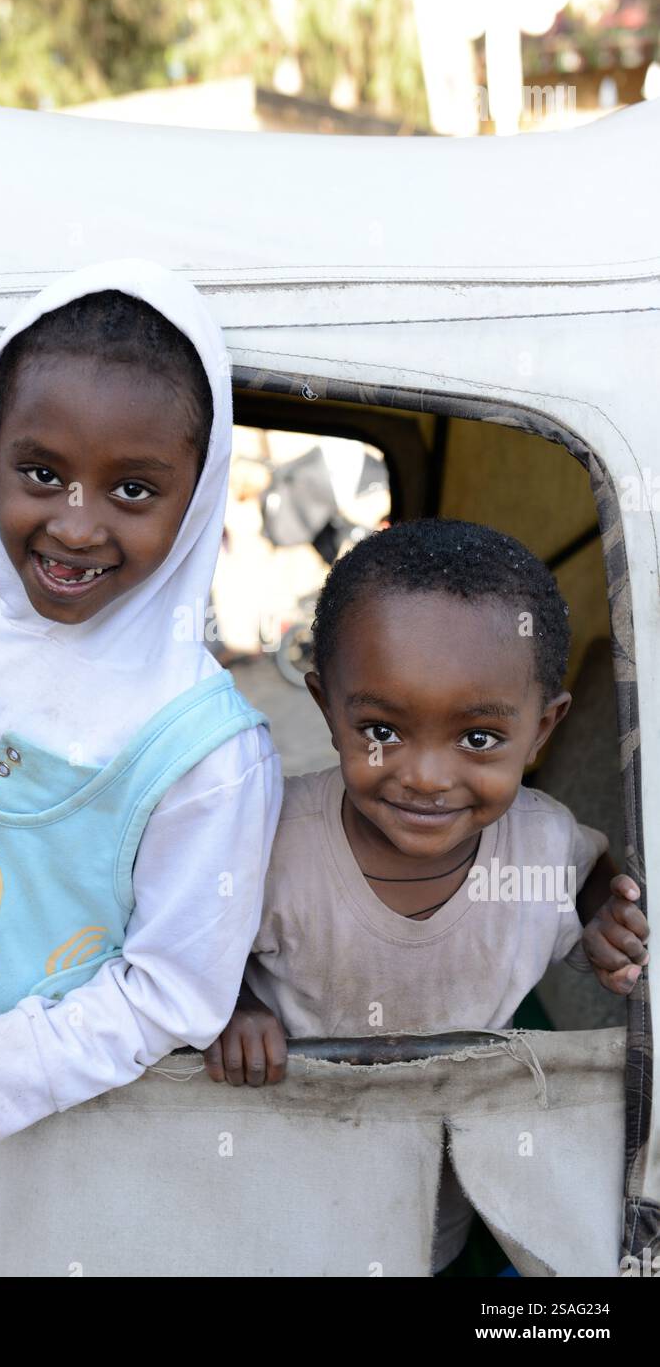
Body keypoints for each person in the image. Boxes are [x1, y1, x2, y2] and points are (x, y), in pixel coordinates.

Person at [0, 259, 283, 1155]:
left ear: (196, 498)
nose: (77, 526)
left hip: (63, 1137)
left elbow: (172, 994)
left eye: (132, 490)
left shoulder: (205, 750)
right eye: (40, 474)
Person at [203, 517, 648, 1270]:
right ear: (325, 707)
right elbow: (195, 944)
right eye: (381, 729)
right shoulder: (271, 841)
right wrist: (233, 1007)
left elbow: (584, 876)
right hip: (276, 1171)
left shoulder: (540, 840)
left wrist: (606, 916)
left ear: (541, 731)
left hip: (437, 1190)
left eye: (476, 738)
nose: (426, 776)